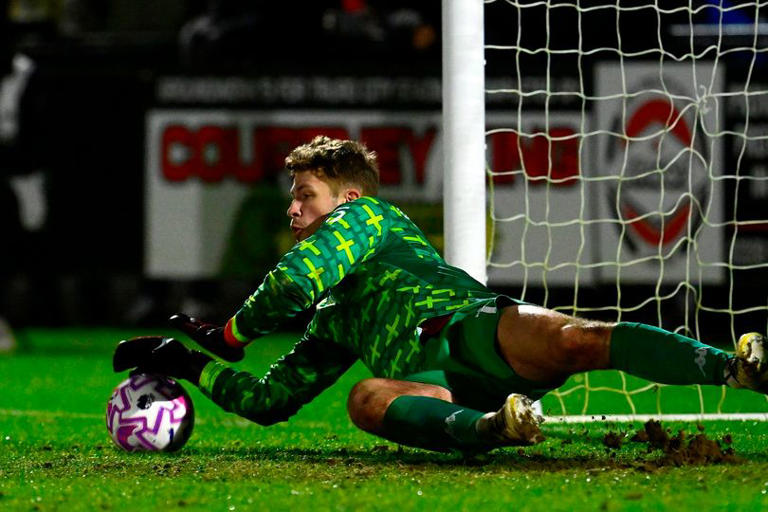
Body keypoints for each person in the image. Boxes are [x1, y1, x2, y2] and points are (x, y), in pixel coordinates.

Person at [114, 136, 768, 454]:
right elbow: (268, 402)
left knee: (575, 337)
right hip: (437, 387)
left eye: (303, 196)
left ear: (347, 198)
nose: (291, 210)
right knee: (367, 398)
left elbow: (291, 279)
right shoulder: (331, 322)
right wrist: (190, 362)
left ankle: (733, 367)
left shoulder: (366, 220)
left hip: (478, 331)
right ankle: (495, 427)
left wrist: (228, 335)